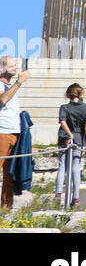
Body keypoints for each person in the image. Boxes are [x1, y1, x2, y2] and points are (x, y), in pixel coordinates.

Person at [55, 84, 86, 208]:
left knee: (62, 165)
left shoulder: (64, 107)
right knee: (75, 167)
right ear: (81, 94)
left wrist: (69, 134)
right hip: (79, 138)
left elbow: (62, 121)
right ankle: (75, 197)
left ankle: (58, 193)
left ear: (68, 95)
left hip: (65, 137)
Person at [0, 57, 29, 210]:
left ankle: (5, 207)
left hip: (13, 134)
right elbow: (3, 100)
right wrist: (19, 82)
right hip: (2, 133)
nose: (15, 68)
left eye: (15, 65)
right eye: (11, 65)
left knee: (9, 174)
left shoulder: (9, 86)